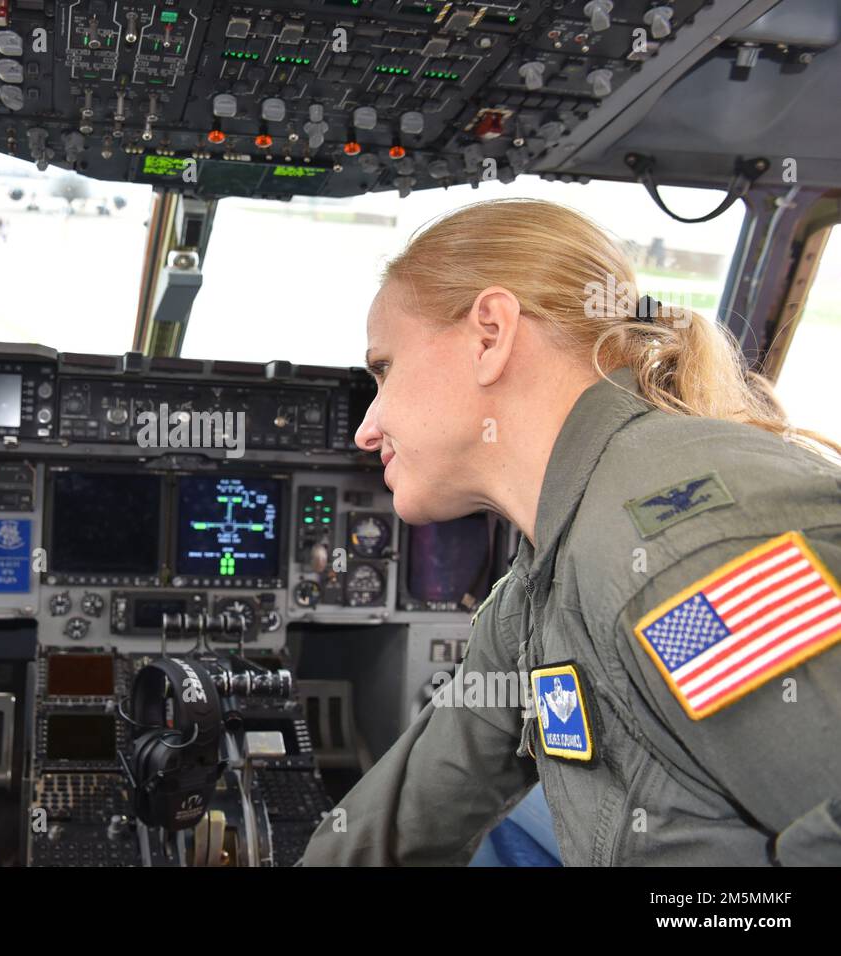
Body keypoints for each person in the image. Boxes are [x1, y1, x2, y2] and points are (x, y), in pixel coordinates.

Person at [300, 198, 841, 866]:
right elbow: (409, 815)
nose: (367, 428)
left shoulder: (675, 554)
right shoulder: (541, 581)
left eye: (383, 369)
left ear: (491, 334)